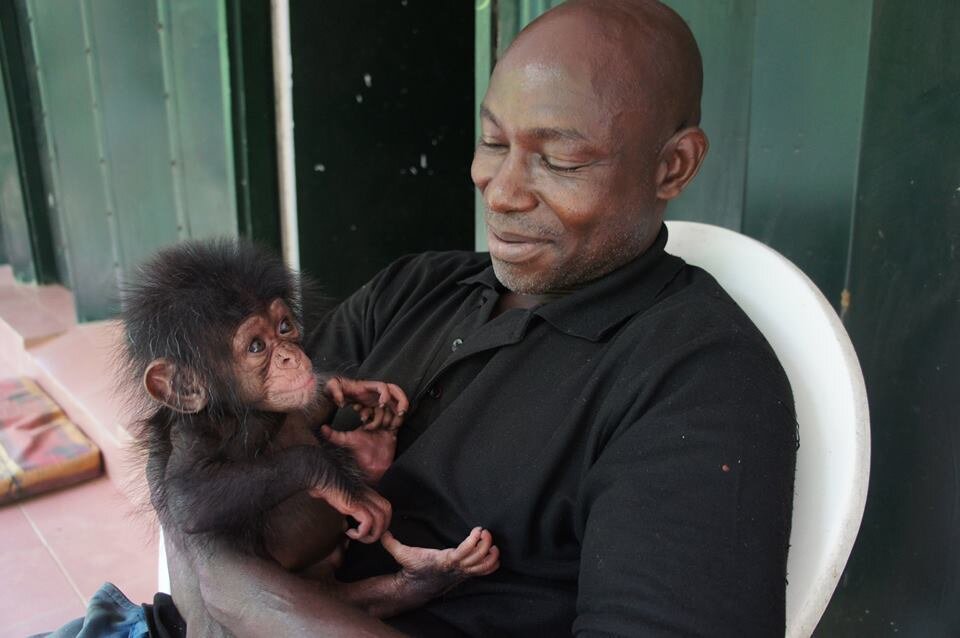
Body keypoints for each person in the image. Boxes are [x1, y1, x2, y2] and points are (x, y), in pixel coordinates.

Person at [196, 0, 797, 635]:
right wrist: (212, 564)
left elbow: (205, 534)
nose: (501, 191)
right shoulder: (412, 288)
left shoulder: (698, 378)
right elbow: (199, 466)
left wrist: (243, 596)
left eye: (560, 161)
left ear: (672, 166)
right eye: (493, 142)